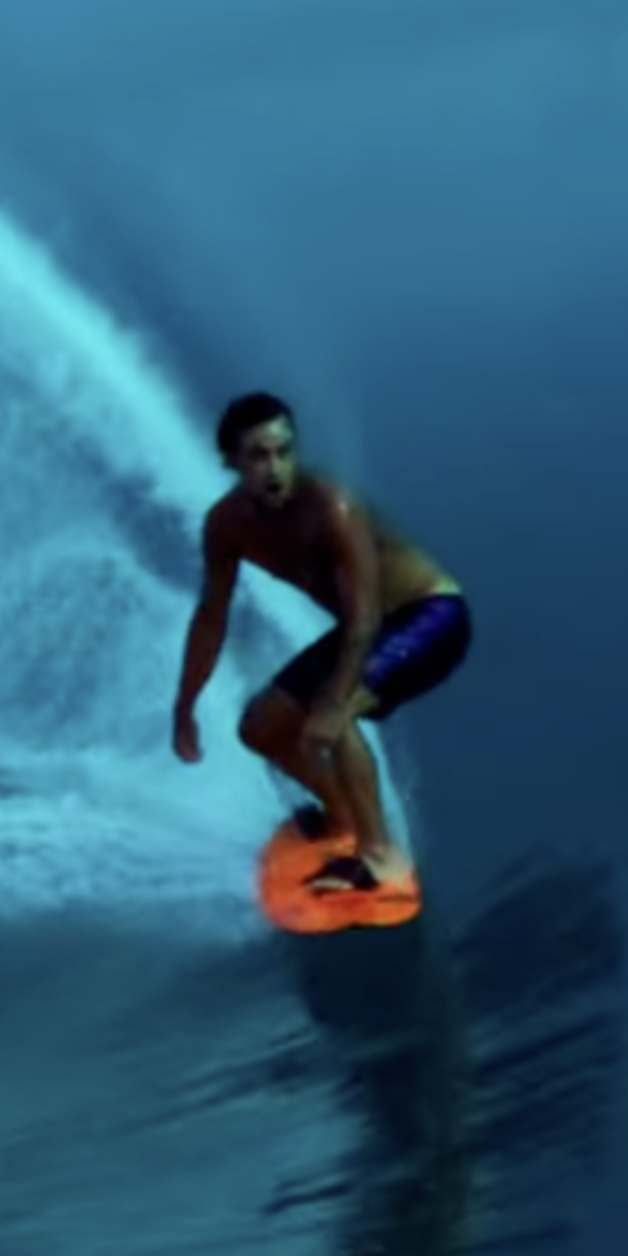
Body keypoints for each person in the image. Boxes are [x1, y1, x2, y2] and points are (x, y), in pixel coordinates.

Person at [171, 391, 470, 915]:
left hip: (430, 618)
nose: (275, 468)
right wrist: (185, 705)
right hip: (369, 627)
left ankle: (383, 864)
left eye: (284, 452)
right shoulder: (226, 526)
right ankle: (343, 818)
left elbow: (363, 620)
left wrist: (333, 702)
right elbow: (210, 617)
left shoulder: (332, 508)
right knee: (260, 728)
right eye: (259, 456)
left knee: (332, 717)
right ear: (231, 462)